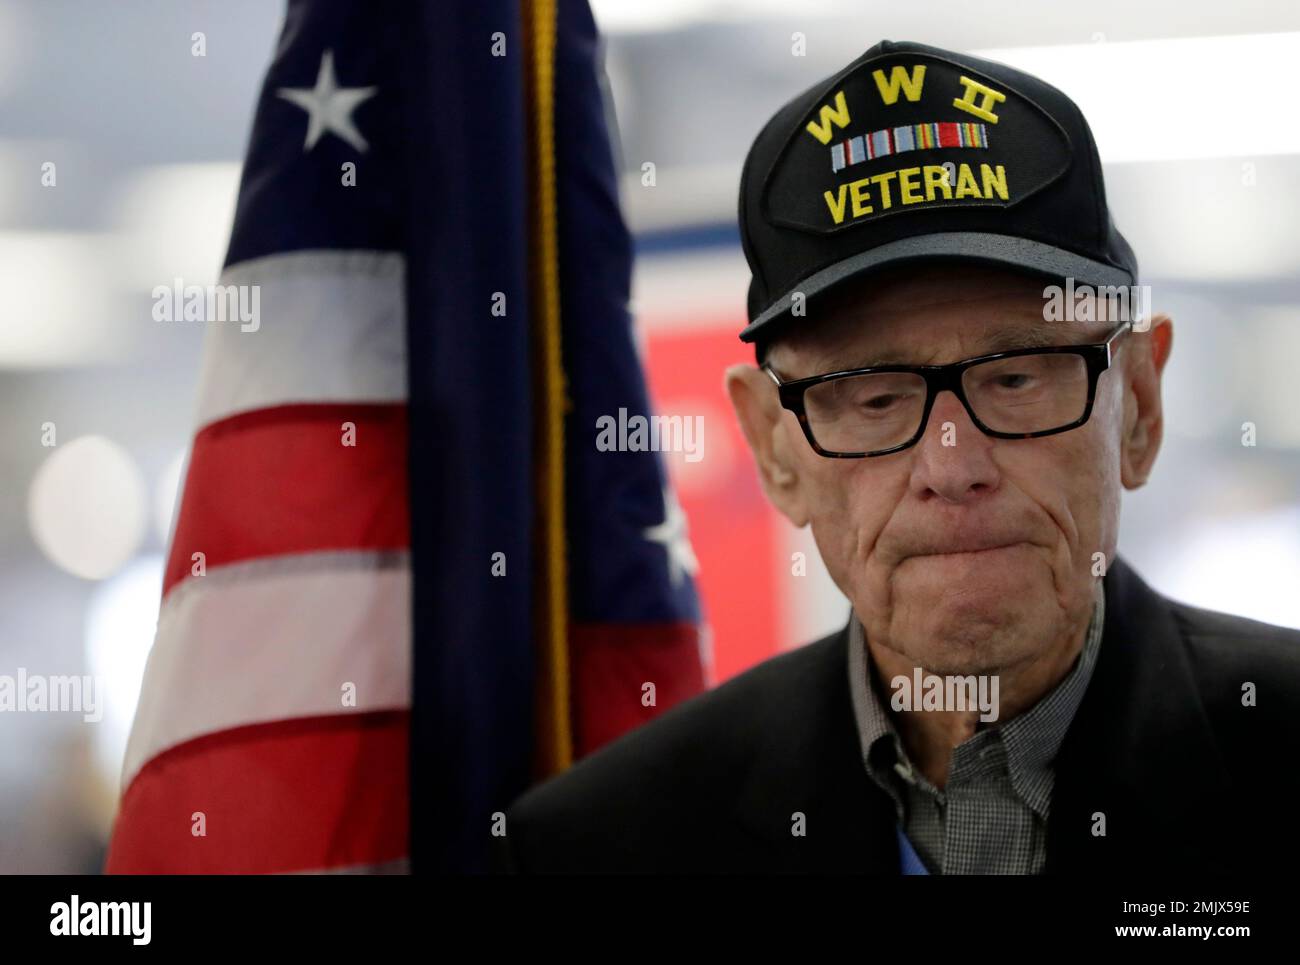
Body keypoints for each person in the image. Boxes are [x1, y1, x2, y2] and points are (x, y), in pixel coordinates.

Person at [494, 39, 1300, 874]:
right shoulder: (604, 847)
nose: (952, 467)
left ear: (1137, 405)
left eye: (1017, 377)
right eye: (875, 397)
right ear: (775, 448)